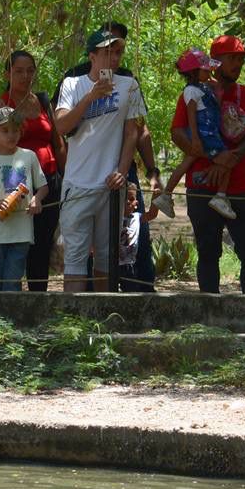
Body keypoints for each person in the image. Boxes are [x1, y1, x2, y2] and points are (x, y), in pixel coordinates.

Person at [53, 21, 162, 291]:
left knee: (106, 257)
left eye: (118, 53)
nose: (114, 58)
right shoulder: (72, 83)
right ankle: (74, 322)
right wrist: (90, 97)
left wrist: (123, 171)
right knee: (76, 258)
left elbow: (132, 133)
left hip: (112, 188)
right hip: (77, 185)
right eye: (107, 52)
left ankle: (102, 320)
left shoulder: (129, 86)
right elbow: (61, 126)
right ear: (92, 56)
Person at [172, 34, 245, 294]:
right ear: (215, 62)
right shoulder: (193, 93)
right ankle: (208, 314)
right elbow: (178, 133)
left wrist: (230, 160)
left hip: (241, 188)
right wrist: (212, 156)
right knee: (207, 252)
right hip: (202, 186)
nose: (238, 64)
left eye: (240, 59)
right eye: (231, 58)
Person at [0, 50, 64, 290]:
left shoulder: (41, 102)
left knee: (41, 243)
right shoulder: (1, 105)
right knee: (19, 244)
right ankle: (12, 300)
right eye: (18, 71)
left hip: (47, 182)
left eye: (30, 70)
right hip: (14, 183)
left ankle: (37, 299)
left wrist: (67, 176)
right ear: (8, 73)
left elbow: (57, 142)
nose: (25, 76)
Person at [0, 107, 49, 291]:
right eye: (4, 131)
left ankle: (12, 318)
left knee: (12, 281)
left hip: (21, 230)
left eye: (15, 130)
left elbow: (43, 187)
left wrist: (36, 200)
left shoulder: (29, 156)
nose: (11, 135)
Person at [155, 47, 234, 219]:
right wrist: (196, 140)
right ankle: (220, 196)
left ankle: (166, 195)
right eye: (206, 70)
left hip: (205, 134)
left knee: (186, 163)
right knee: (228, 159)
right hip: (205, 136)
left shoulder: (203, 88)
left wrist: (217, 92)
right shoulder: (191, 91)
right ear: (194, 72)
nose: (210, 72)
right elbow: (192, 115)